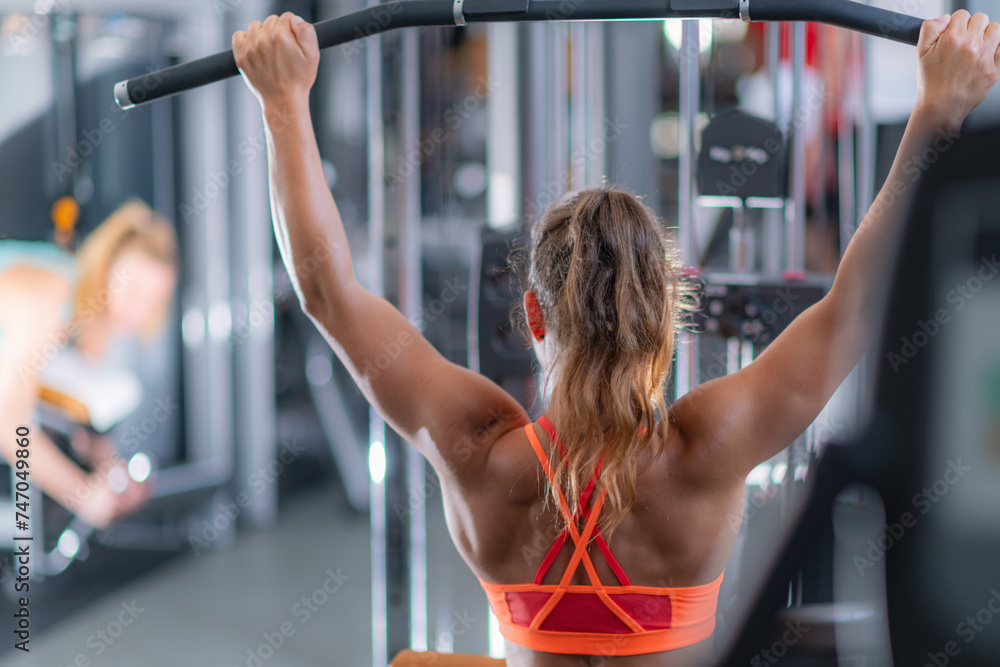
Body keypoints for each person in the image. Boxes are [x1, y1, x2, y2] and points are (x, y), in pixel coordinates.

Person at [232, 10, 1000, 665]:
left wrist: (283, 103)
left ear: (535, 317)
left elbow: (327, 292)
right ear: (667, 316)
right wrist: (939, 110)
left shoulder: (477, 448)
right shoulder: (707, 449)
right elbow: (856, 303)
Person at [0, 201, 178, 530]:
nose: (140, 312)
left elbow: (77, 421)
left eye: (154, 301)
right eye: (134, 289)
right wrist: (81, 495)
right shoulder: (49, 298)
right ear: (105, 267)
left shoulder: (88, 317)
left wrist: (110, 470)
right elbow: (9, 425)